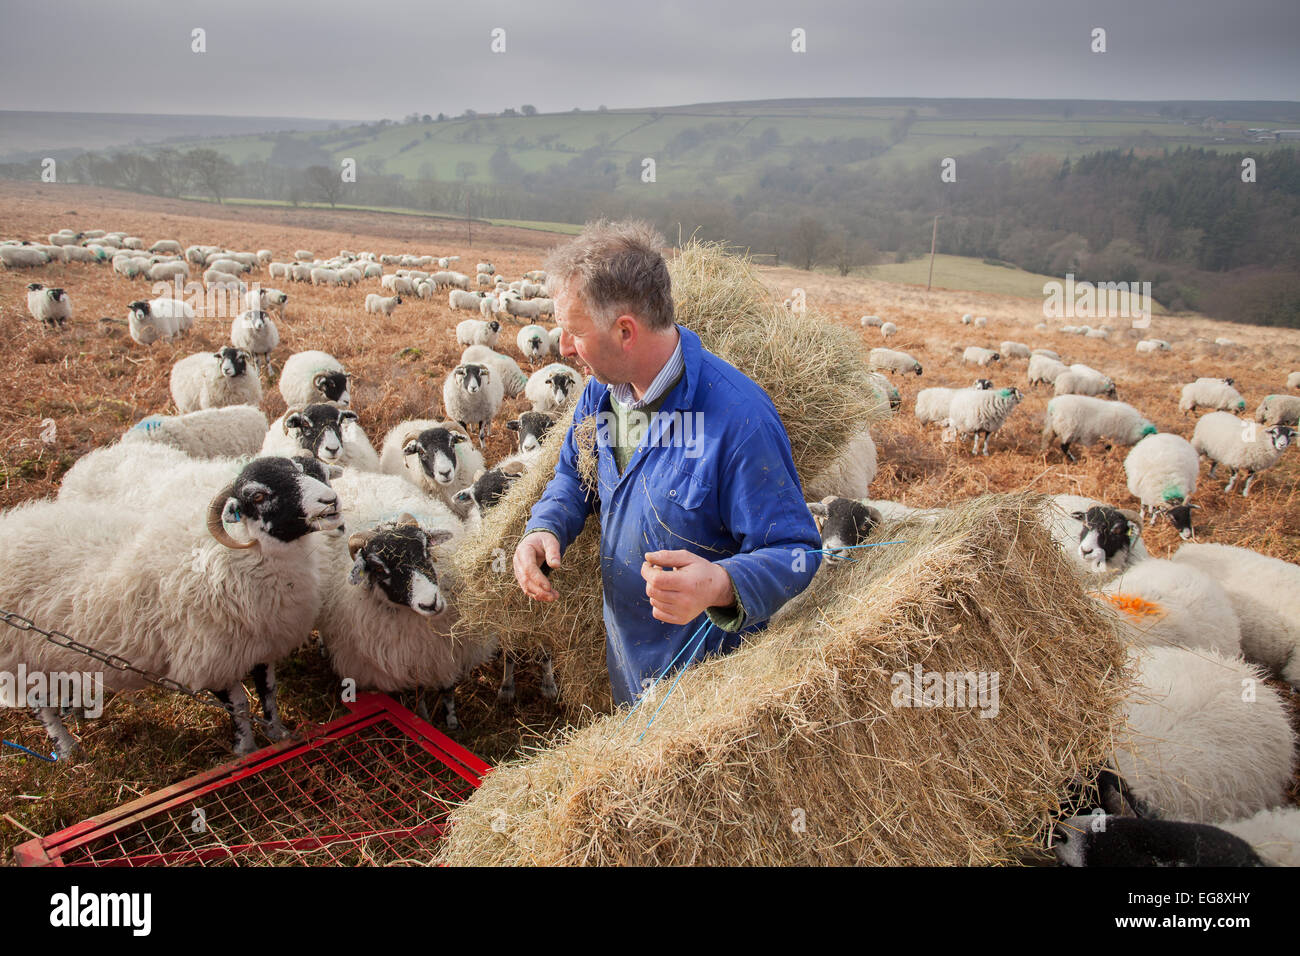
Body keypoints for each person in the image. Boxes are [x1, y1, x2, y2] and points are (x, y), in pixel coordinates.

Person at [512, 220, 822, 706]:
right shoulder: (602, 396)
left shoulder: (738, 421)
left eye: (574, 332)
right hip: (630, 666)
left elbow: (796, 551)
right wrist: (546, 526)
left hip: (708, 693)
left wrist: (722, 583)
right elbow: (576, 476)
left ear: (625, 331)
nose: (564, 347)